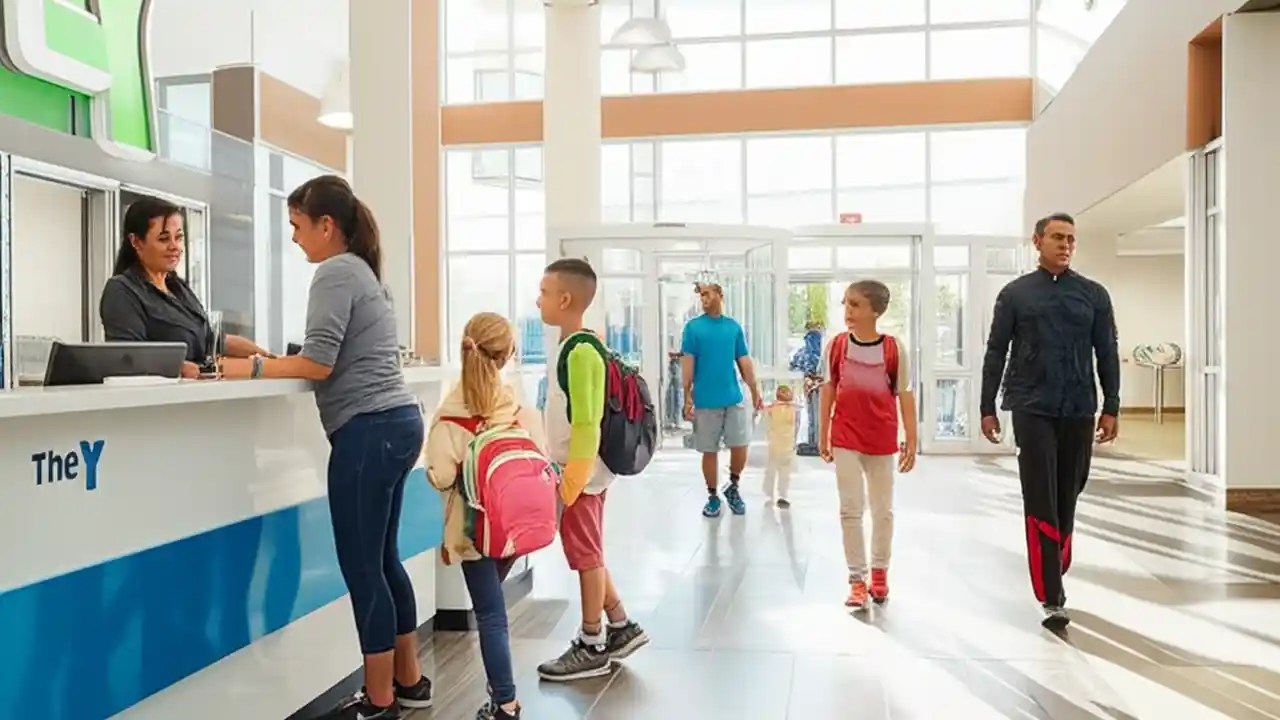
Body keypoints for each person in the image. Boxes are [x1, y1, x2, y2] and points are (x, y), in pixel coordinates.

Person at [218, 176, 432, 719]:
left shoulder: (335, 272)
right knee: (383, 561)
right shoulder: (362, 271)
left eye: (296, 226)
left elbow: (318, 363)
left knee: (364, 568)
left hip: (368, 431)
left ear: (326, 226)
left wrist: (253, 367)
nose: (294, 238)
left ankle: (379, 702)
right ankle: (409, 680)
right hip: (397, 423)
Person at [980, 212, 1120, 631]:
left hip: (1078, 407)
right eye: (1057, 237)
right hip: (1031, 405)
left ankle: (1055, 565)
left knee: (1068, 492)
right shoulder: (1015, 295)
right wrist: (987, 406)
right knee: (1040, 494)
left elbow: (1107, 353)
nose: (1065, 245)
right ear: (1037, 241)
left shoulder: (1094, 295)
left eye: (1071, 239)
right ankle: (1052, 594)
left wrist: (1112, 404)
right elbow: (995, 352)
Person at [535, 258, 648, 682]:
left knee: (585, 554)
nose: (538, 299)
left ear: (565, 299)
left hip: (582, 473)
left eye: (544, 292)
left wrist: (572, 481)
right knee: (589, 548)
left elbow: (586, 421)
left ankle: (591, 642)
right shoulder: (578, 344)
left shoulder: (581, 351)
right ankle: (620, 625)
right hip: (584, 472)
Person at [426, 312, 541, 720]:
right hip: (515, 525)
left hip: (473, 532)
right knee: (492, 604)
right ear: (508, 355)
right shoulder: (513, 405)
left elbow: (440, 475)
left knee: (491, 615)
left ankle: (506, 703)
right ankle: (502, 696)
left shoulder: (451, 414)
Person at [818, 280, 917, 611]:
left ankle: (879, 573)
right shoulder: (836, 347)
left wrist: (911, 440)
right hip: (845, 435)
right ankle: (856, 580)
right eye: (846, 304)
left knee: (882, 510)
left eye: (856, 305)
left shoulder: (893, 349)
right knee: (850, 509)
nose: (848, 311)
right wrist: (823, 433)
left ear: (876, 310)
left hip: (881, 438)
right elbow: (829, 389)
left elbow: (904, 393)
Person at [100, 195, 268, 377]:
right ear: (136, 242)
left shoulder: (177, 287)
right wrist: (182, 368)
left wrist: (267, 357)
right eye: (164, 239)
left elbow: (213, 341)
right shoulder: (122, 291)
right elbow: (128, 357)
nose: (175, 247)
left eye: (178, 238)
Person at [681, 282, 764, 518]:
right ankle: (712, 496)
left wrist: (755, 391)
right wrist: (687, 397)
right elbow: (688, 363)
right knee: (709, 450)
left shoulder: (733, 327)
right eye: (701, 296)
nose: (703, 299)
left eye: (707, 294)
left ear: (719, 294)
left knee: (741, 445)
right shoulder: (693, 328)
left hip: (733, 397)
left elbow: (744, 361)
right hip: (706, 400)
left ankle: (733, 487)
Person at [761, 384, 799, 507]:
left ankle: (781, 494)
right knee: (775, 469)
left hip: (785, 444)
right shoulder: (774, 408)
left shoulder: (791, 408)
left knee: (782, 470)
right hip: (777, 443)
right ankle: (771, 492)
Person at [789, 321, 825, 450]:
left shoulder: (808, 346)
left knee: (814, 413)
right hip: (815, 384)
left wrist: (808, 376)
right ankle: (815, 441)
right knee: (815, 413)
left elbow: (796, 364)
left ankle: (815, 441)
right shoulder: (817, 343)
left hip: (814, 383)